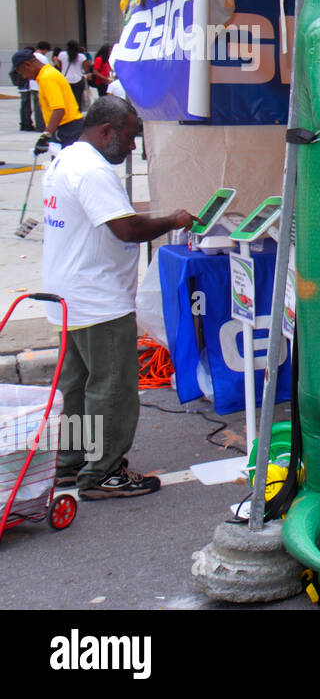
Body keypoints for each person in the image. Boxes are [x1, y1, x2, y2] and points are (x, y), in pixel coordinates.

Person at [43, 96, 197, 498]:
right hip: (97, 298)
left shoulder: (66, 158)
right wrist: (173, 219)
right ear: (107, 130)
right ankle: (103, 472)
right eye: (130, 137)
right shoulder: (92, 170)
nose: (133, 147)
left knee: (76, 386)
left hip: (68, 294)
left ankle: (72, 460)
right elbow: (126, 230)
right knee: (111, 387)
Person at [11, 49, 83, 148]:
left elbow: (59, 109)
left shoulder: (47, 78)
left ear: (28, 65)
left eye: (22, 72)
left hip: (66, 129)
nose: (24, 77)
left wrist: (46, 135)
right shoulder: (48, 72)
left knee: (63, 162)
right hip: (67, 127)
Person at [58, 40, 88, 109]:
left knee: (66, 101)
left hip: (65, 80)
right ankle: (77, 116)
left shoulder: (62, 54)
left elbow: (60, 66)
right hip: (78, 79)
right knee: (78, 101)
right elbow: (85, 69)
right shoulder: (81, 56)